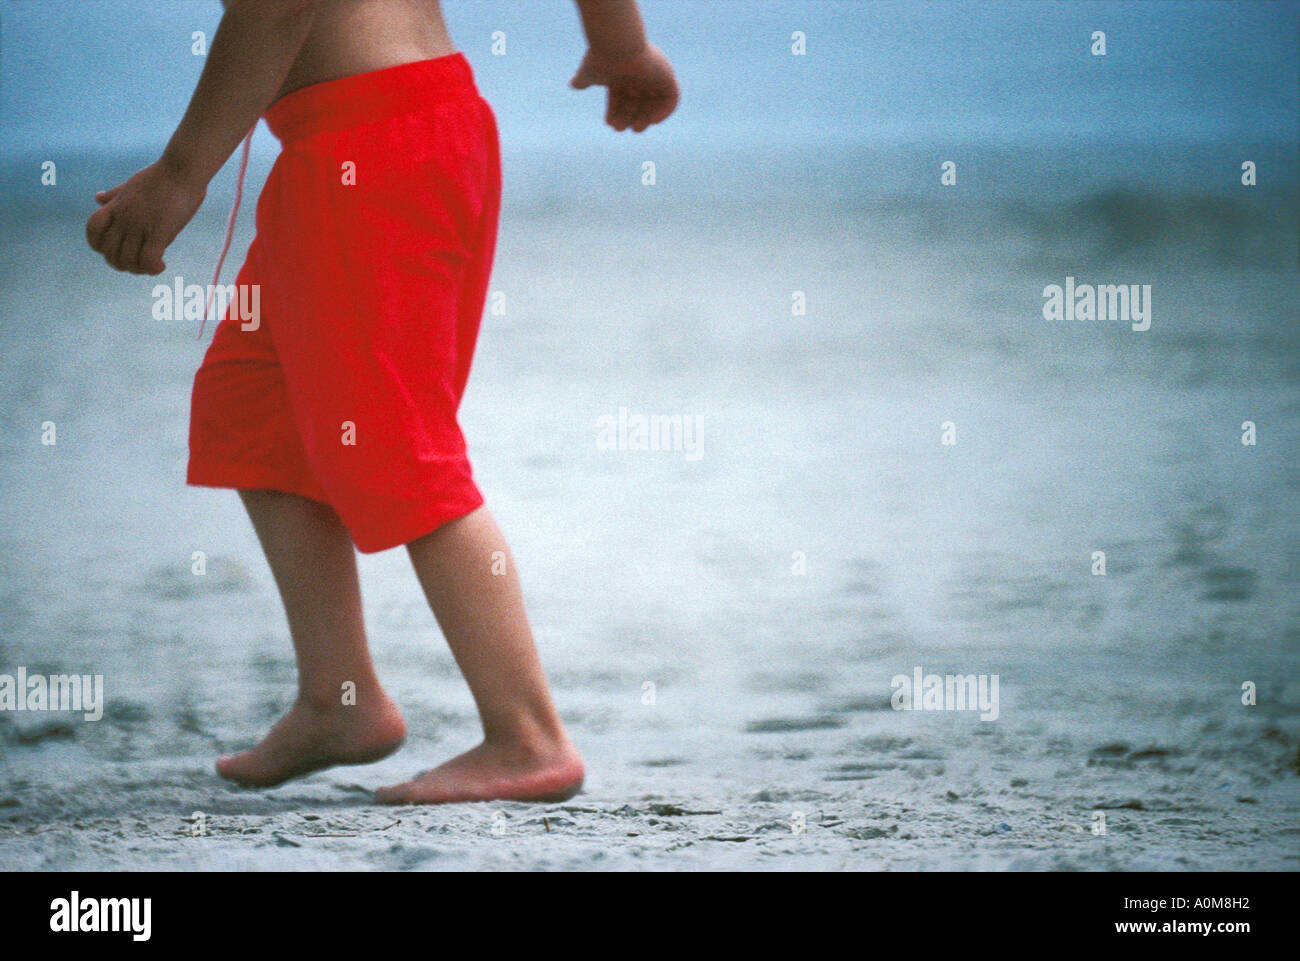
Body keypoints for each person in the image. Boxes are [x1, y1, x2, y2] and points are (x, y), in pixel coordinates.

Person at [84, 0, 679, 804]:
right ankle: (339, 696)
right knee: (256, 408)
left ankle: (527, 735)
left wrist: (182, 174)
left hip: (369, 145)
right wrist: (622, 44)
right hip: (388, 131)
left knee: (399, 443)